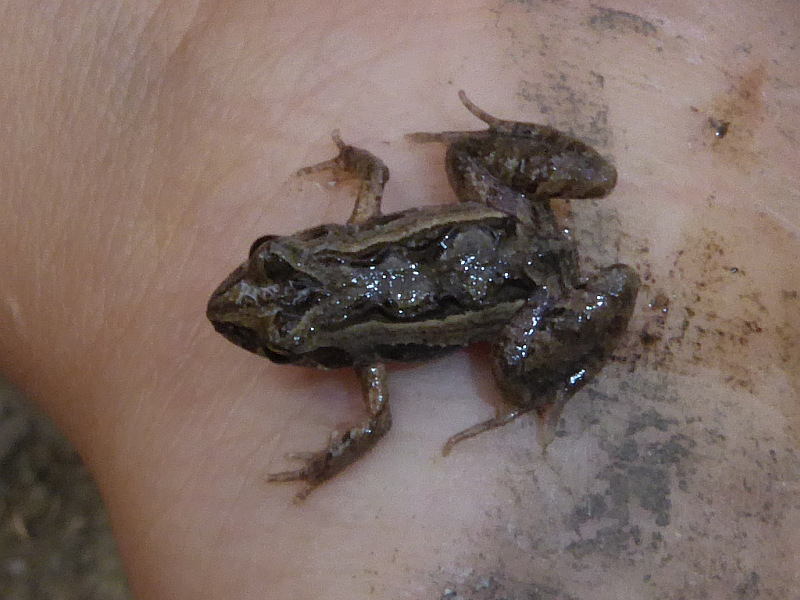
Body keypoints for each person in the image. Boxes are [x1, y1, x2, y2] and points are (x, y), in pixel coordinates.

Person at [1, 2, 797, 598]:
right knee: (472, 167)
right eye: (282, 337)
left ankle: (546, 383)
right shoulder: (359, 243)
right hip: (509, 216)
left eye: (273, 264)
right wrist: (346, 158)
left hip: (531, 289)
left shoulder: (367, 353)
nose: (246, 289)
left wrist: (324, 466)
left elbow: (376, 420)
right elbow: (372, 172)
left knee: (515, 373)